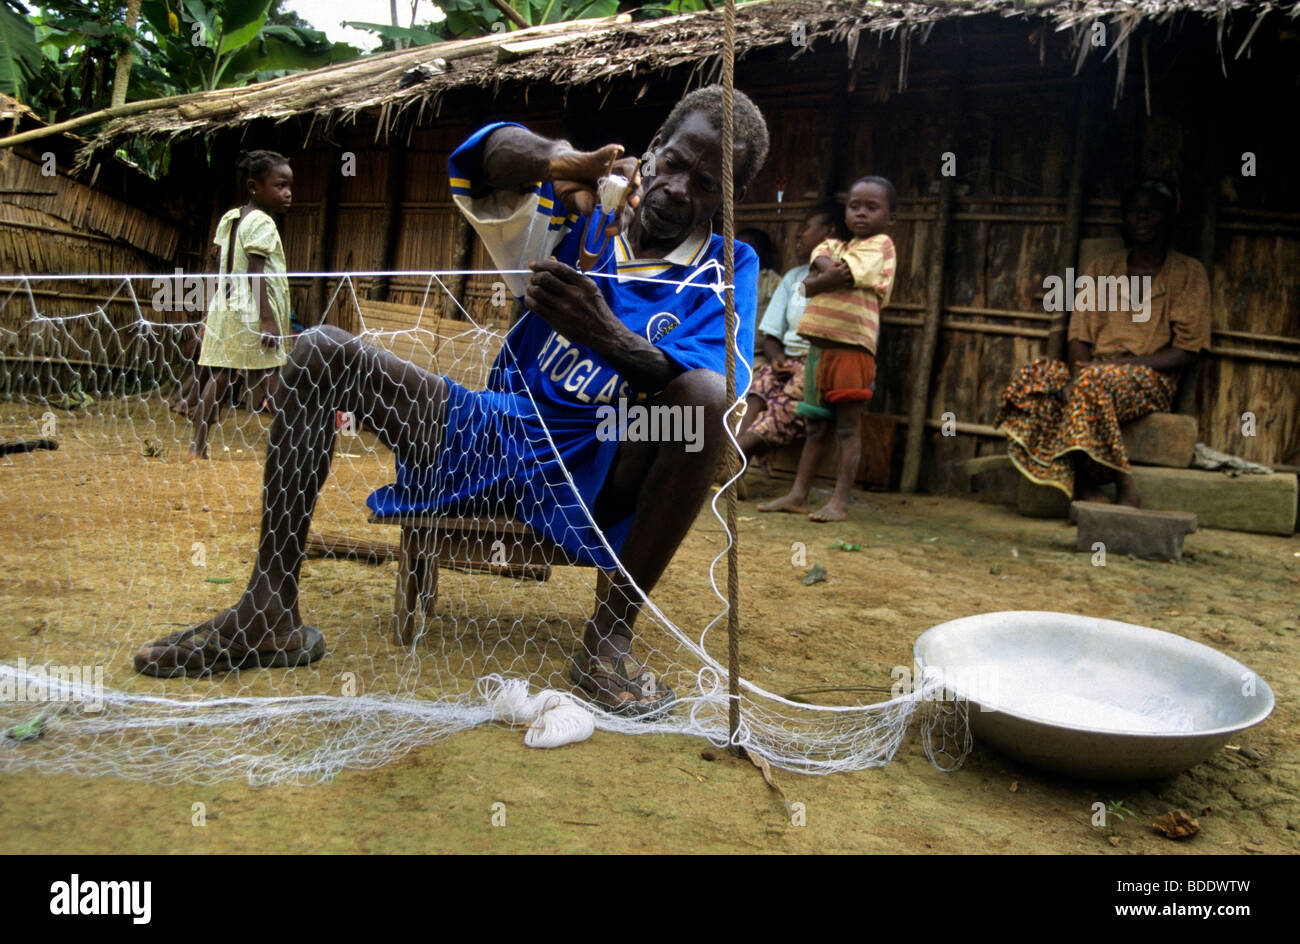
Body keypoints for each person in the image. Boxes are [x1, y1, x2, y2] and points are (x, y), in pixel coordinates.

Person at [132, 85, 770, 720]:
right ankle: (270, 607)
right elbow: (486, 156)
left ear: (727, 200)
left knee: (703, 402)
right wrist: (561, 159)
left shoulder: (725, 266)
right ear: (654, 148)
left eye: (708, 184)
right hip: (498, 430)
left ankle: (608, 638)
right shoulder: (588, 210)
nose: (681, 188)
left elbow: (705, 385)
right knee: (321, 349)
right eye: (677, 162)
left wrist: (600, 330)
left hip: (603, 467)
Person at [996, 178, 1210, 505]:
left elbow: (1187, 351)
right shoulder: (1101, 269)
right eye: (1133, 211)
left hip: (1150, 378)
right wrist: (1079, 375)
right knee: (1035, 377)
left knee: (1095, 381)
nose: (1141, 218)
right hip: (1094, 371)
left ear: (1169, 217)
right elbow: (1080, 336)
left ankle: (1124, 488)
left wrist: (1121, 366)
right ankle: (1078, 482)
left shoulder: (1188, 273)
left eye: (1151, 211)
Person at [759, 177, 897, 522]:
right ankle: (798, 495)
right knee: (815, 426)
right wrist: (823, 275)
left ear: (890, 217)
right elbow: (821, 266)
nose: (861, 213)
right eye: (854, 206)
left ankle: (838, 503)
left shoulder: (881, 246)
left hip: (852, 350)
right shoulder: (834, 246)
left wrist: (816, 281)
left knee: (848, 428)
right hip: (817, 350)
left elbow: (839, 276)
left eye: (872, 207)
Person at [188, 150, 294, 460]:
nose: (288, 193)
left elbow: (219, 262)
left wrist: (212, 312)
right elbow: (255, 272)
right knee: (272, 374)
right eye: (280, 185)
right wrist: (268, 320)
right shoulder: (263, 223)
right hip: (255, 308)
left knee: (220, 375)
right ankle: (290, 447)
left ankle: (198, 446)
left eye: (289, 186)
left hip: (228, 304)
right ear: (253, 186)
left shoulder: (231, 218)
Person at [737, 205, 843, 461]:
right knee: (759, 387)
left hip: (820, 362)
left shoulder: (843, 278)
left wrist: (804, 367)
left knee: (786, 402)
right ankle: (735, 455)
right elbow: (772, 334)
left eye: (806, 228)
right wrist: (777, 359)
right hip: (789, 361)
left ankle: (735, 455)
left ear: (829, 232)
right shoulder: (793, 278)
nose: (798, 235)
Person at [736, 226, 781, 356]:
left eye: (746, 248)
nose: (739, 253)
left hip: (758, 354)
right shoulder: (722, 278)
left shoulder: (772, 282)